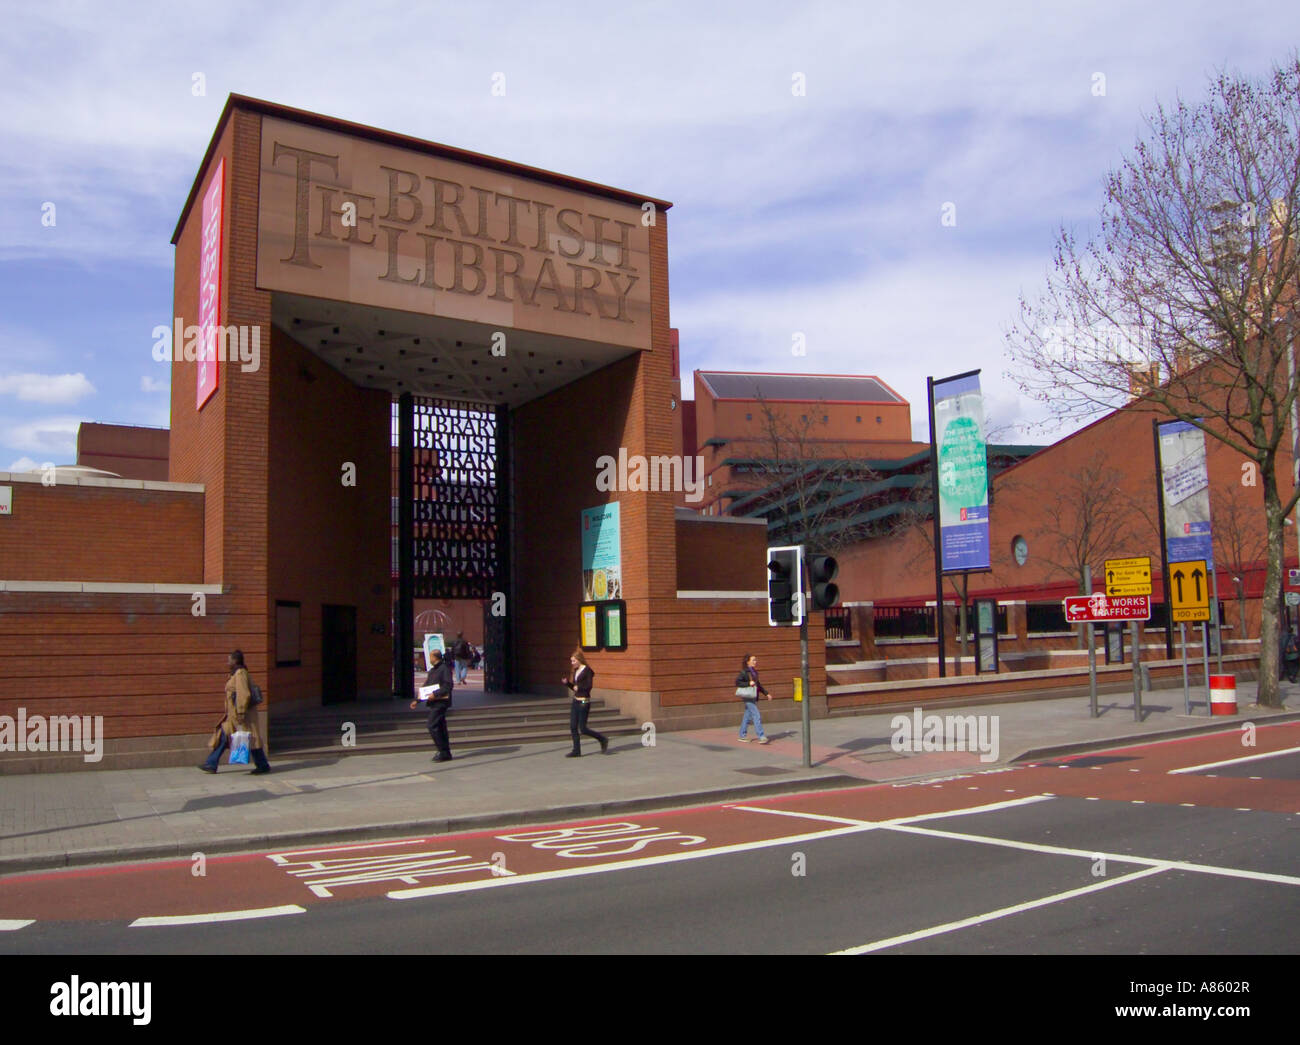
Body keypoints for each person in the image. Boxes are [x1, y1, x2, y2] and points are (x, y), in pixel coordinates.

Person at [199, 650, 271, 774]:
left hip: (242, 715)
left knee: (250, 739)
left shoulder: (240, 673)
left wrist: (241, 712)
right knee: (223, 736)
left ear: (235, 660)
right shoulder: (234, 674)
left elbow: (243, 693)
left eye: (229, 660)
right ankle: (211, 764)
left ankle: (262, 764)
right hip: (232, 716)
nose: (227, 662)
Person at [562, 649, 608, 757]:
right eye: (571, 661)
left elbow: (588, 686)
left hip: (584, 701)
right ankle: (576, 750)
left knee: (583, 728)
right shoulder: (576, 671)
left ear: (579, 660)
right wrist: (567, 683)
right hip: (576, 700)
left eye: (573, 661)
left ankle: (602, 739)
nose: (572, 663)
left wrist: (579, 688)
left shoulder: (587, 671)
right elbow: (575, 688)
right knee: (573, 726)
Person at [411, 648, 454, 761]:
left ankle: (442, 750)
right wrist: (417, 700)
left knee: (432, 725)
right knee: (440, 727)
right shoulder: (433, 670)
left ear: (435, 657)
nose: (429, 659)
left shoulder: (444, 669)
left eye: (430, 656)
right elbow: (426, 686)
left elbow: (448, 685)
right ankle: (445, 752)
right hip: (434, 702)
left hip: (441, 702)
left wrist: (435, 694)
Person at [736, 653, 772, 744]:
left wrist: (766, 693)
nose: (755, 661)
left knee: (747, 716)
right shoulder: (744, 672)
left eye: (755, 660)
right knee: (756, 715)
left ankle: (742, 735)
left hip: (753, 696)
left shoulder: (754, 672)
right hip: (748, 696)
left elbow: (758, 685)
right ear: (748, 662)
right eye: (753, 660)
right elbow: (737, 682)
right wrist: (748, 683)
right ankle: (761, 736)